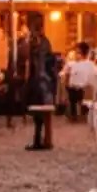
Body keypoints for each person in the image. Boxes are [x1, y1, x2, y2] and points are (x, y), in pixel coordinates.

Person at [24, 15, 56, 151]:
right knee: (43, 113)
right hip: (45, 80)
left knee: (40, 112)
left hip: (40, 81)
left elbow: (38, 63)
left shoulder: (38, 42)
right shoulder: (44, 42)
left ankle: (41, 140)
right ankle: (44, 140)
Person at [64, 42, 97, 121]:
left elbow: (71, 83)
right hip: (91, 93)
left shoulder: (74, 66)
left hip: (80, 93)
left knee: (71, 90)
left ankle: (73, 114)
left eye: (77, 53)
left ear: (80, 53)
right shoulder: (94, 66)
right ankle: (84, 111)